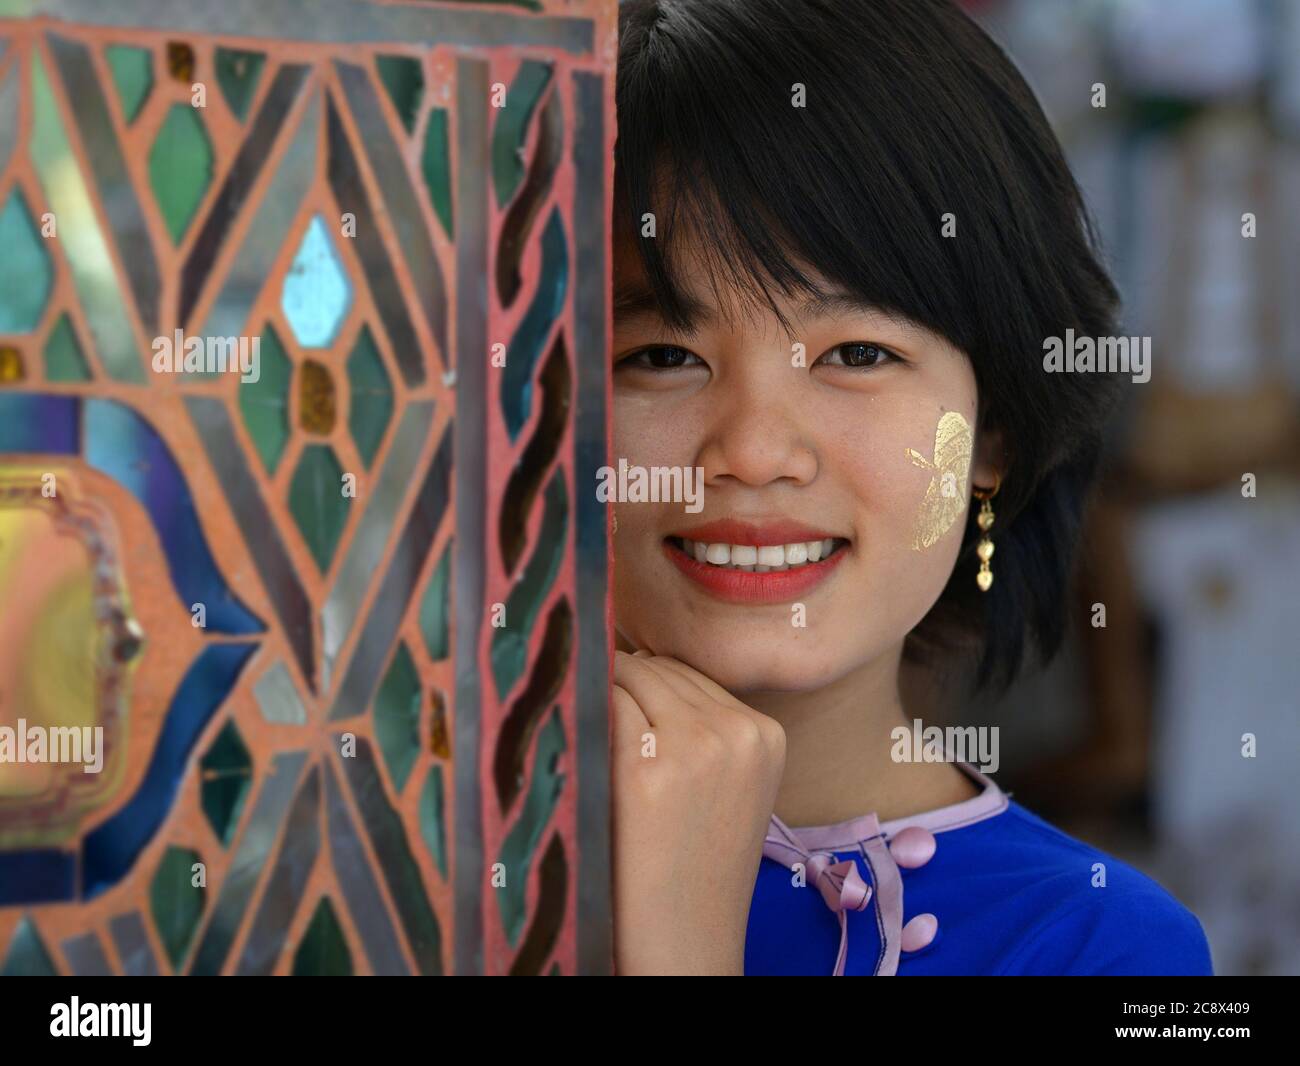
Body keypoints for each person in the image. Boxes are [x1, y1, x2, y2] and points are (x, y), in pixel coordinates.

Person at [607, 0, 1213, 975]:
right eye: (662, 355)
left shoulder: (1110, 947)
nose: (757, 452)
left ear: (993, 437)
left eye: (856, 351)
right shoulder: (417, 861)